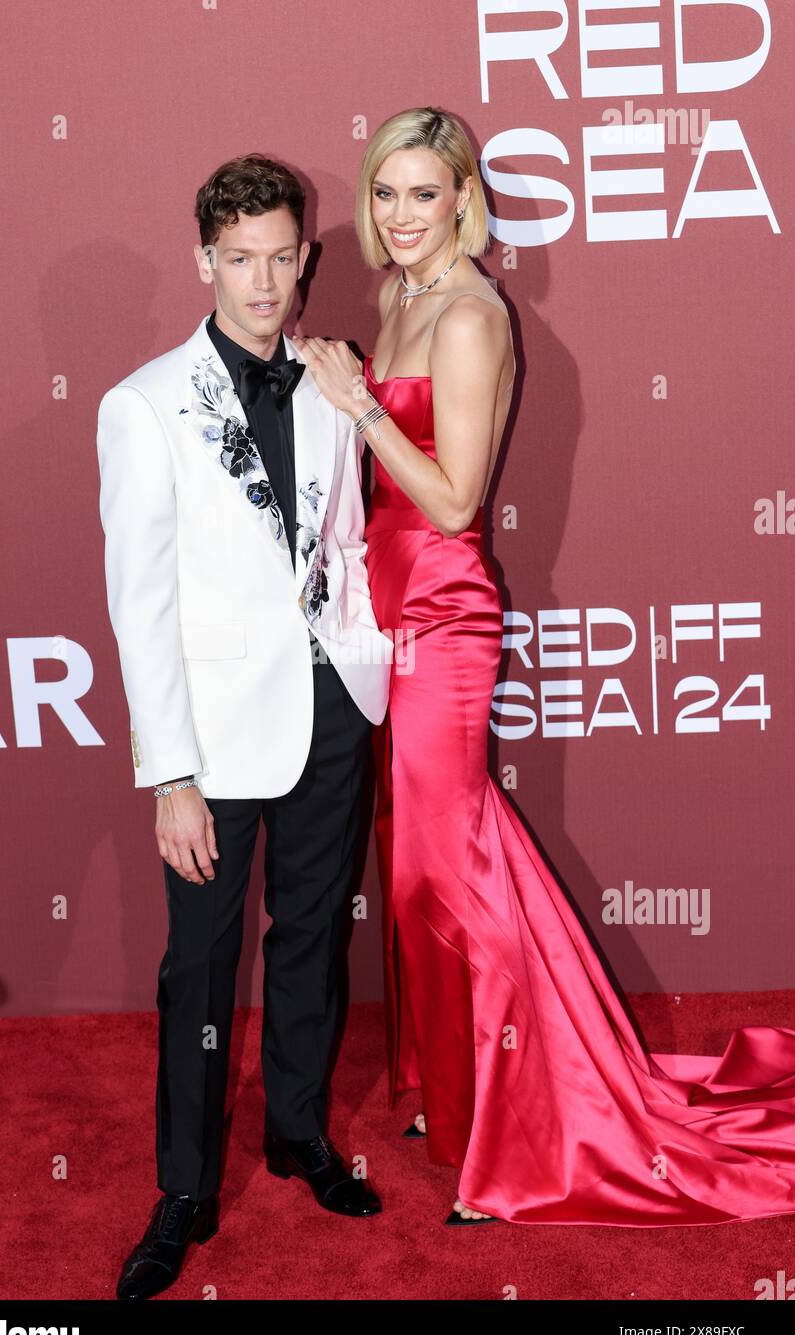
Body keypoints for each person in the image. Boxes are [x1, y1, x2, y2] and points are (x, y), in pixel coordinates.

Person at [291, 106, 795, 1228]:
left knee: (441, 872)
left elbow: (458, 500)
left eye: (425, 194)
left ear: (466, 197)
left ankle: (519, 1134)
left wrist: (361, 404)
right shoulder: (398, 295)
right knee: (426, 860)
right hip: (382, 615)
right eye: (385, 193)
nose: (402, 215)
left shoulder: (470, 316)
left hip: (447, 614)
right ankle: (454, 1093)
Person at [97, 154, 394, 1298]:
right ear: (203, 262)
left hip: (331, 711)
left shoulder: (334, 377)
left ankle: (300, 1132)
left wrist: (363, 665)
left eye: (283, 258)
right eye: (241, 261)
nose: (264, 283)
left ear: (306, 257)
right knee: (201, 962)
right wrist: (169, 771)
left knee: (314, 933)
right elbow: (142, 604)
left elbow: (346, 542)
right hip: (213, 739)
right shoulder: (142, 405)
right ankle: (182, 1188)